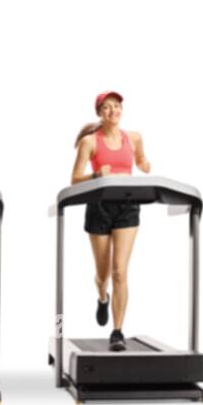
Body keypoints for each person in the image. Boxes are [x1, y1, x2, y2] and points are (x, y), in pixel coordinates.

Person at [69, 91, 151, 351]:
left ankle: (117, 331)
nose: (112, 111)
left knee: (120, 271)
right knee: (103, 273)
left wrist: (144, 164)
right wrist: (95, 174)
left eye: (116, 106)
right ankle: (102, 296)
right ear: (99, 113)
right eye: (106, 107)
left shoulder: (134, 138)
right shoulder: (90, 143)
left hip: (128, 205)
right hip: (99, 206)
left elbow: (139, 161)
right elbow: (74, 179)